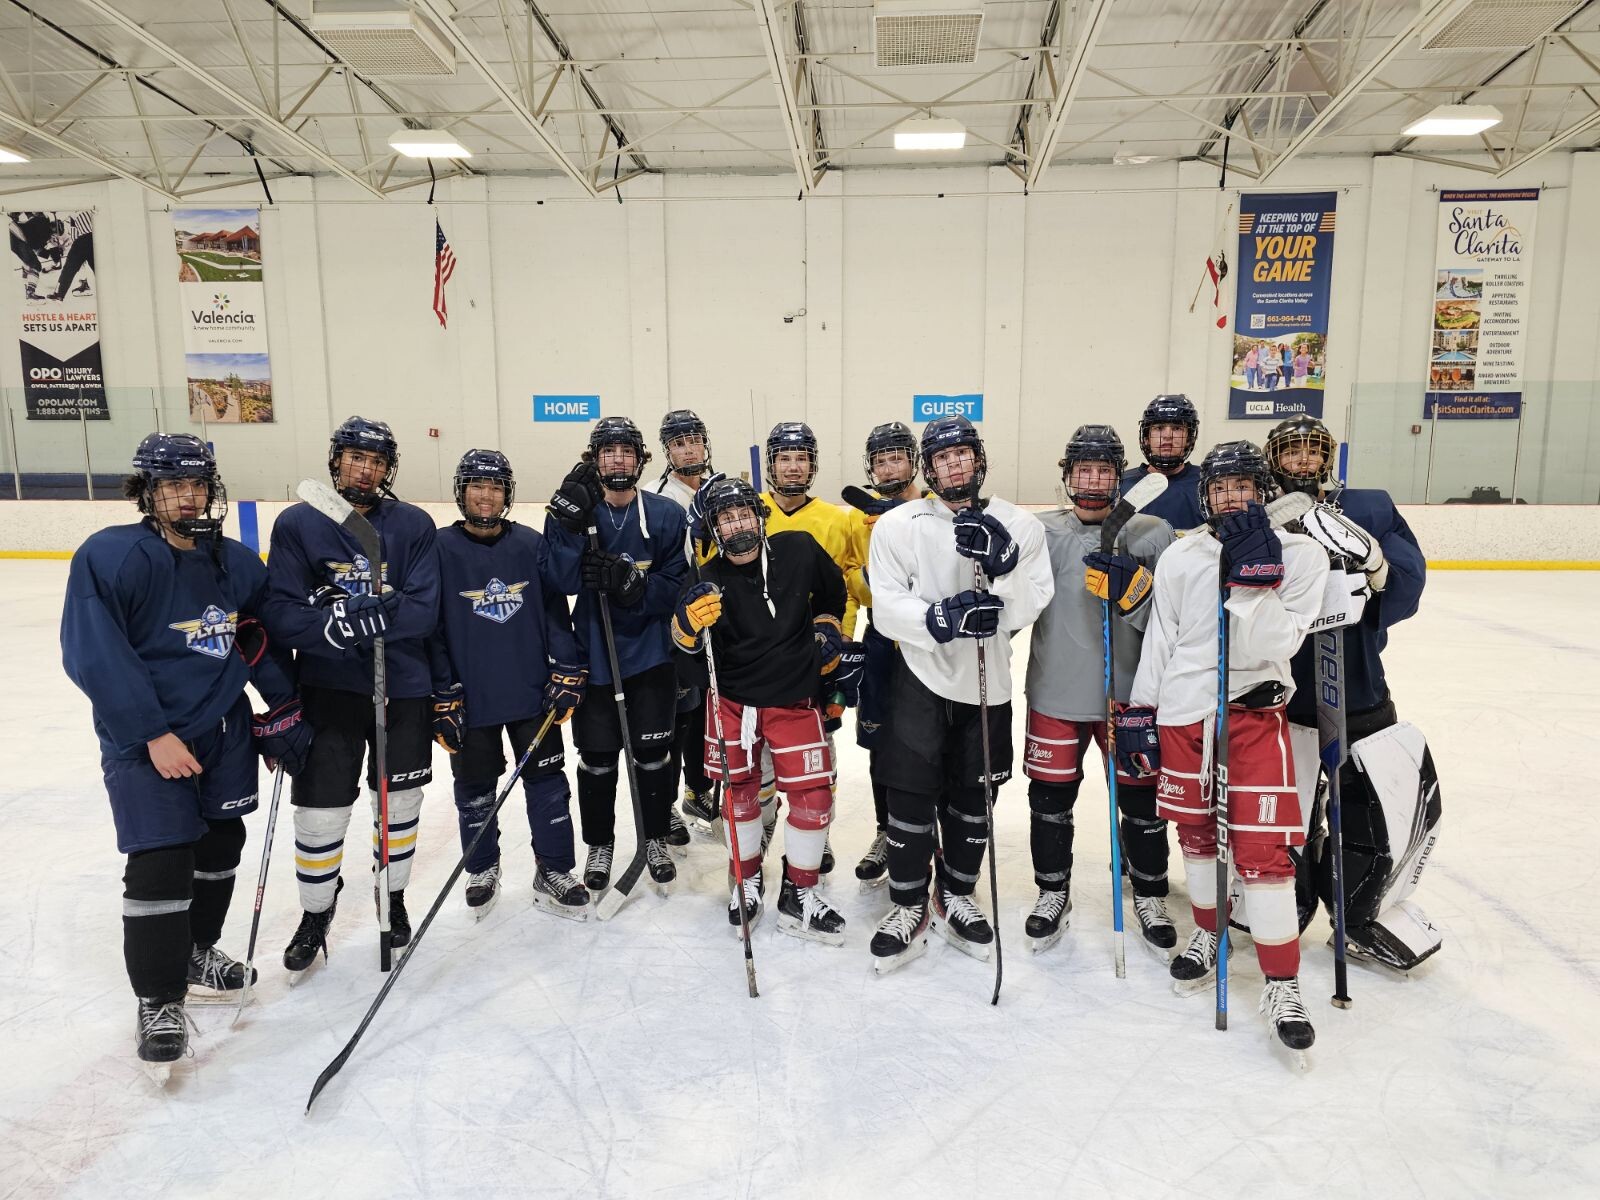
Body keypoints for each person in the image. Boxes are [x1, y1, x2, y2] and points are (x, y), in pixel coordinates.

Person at [62, 434, 311, 1076]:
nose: (188, 496)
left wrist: (280, 709)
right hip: (148, 736)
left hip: (223, 727)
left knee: (221, 844)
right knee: (161, 860)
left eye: (197, 485)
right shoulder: (112, 555)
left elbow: (266, 632)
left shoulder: (232, 561)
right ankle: (159, 998)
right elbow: (93, 652)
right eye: (173, 485)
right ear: (147, 491)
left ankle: (198, 950)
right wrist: (151, 732)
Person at [1126, 440, 1329, 1054]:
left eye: (1242, 486)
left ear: (1262, 489)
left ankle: (1282, 983)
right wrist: (1142, 711)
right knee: (1196, 839)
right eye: (1220, 488)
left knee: (1264, 855)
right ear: (1206, 494)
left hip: (1253, 717)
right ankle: (1210, 934)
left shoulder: (1301, 554)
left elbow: (1280, 644)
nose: (1230, 498)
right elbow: (1162, 639)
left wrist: (1250, 586)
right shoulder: (1184, 556)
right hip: (1185, 716)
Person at [865, 415, 1054, 971]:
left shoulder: (1019, 525)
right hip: (919, 680)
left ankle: (956, 892)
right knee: (910, 796)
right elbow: (885, 605)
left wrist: (1002, 569)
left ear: (979, 459)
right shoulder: (897, 525)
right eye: (943, 458)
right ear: (928, 467)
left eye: (963, 455)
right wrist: (938, 618)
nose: (954, 466)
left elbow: (1032, 602)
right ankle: (906, 903)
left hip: (987, 683)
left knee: (974, 802)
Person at [266, 416, 440, 977]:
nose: (365, 470)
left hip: (403, 688)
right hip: (330, 689)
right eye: (355, 458)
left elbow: (423, 608)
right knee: (320, 812)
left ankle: (391, 899)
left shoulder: (413, 524)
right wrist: (328, 625)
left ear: (388, 469)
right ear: (335, 460)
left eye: (376, 461)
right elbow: (282, 611)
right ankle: (317, 912)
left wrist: (361, 614)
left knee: (399, 806)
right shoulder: (298, 523)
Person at [1265, 416, 1441, 972]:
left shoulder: (1369, 506)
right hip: (1286, 692)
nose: (1301, 462)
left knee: (1368, 810)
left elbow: (1407, 582)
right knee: (1281, 811)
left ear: (1328, 456)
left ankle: (1360, 910)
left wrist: (1378, 567)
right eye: (1291, 453)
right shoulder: (1259, 513)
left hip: (1358, 684)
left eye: (1311, 452)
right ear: (1275, 460)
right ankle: (1284, 900)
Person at [673, 477, 862, 942]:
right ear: (713, 529)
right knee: (739, 796)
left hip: (795, 698)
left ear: (759, 518)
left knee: (815, 799)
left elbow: (833, 594)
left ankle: (800, 892)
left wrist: (825, 627)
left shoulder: (797, 548)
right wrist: (686, 629)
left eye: (743, 515)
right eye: (725, 518)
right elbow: (688, 659)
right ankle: (747, 878)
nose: (737, 526)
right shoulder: (704, 581)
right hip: (734, 705)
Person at [1023, 425, 1176, 953]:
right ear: (1066, 476)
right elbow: (1012, 606)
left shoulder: (1152, 533)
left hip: (1129, 698)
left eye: (1104, 470)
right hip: (1054, 693)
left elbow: (1173, 624)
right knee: (1049, 799)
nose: (1092, 480)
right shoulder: (1038, 533)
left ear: (1119, 476)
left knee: (1141, 802)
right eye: (1082, 470)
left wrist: (1135, 592)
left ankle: (1150, 891)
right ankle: (1052, 890)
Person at [432, 449, 590, 920]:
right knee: (475, 788)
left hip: (531, 690)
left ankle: (555, 869)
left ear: (508, 494)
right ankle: (481, 867)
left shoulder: (529, 542)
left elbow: (553, 609)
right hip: (470, 696)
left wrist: (567, 666)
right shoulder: (439, 547)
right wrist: (442, 691)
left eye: (496, 487)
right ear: (461, 492)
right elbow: (430, 626)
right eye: (477, 486)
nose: (486, 495)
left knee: (547, 784)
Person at [546, 416, 690, 893]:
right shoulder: (577, 514)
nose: (618, 459)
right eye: (608, 451)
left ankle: (654, 837)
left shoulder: (666, 515)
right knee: (599, 759)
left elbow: (677, 588)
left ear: (641, 458)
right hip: (596, 659)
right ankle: (600, 844)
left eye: (626, 451)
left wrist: (634, 587)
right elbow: (561, 582)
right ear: (594, 459)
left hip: (650, 658)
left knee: (652, 754)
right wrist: (568, 525)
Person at [755, 421, 865, 874]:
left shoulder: (840, 521)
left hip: (819, 659)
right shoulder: (749, 510)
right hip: (761, 659)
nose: (794, 467)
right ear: (771, 464)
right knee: (759, 751)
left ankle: (815, 831)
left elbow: (854, 587)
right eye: (785, 457)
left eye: (802, 458)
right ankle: (760, 825)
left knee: (821, 752)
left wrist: (840, 640)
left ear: (813, 464)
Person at [841, 421, 923, 887]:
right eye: (880, 460)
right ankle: (886, 831)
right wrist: (849, 637)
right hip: (880, 639)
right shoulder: (858, 517)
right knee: (880, 739)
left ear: (914, 462)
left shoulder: (935, 510)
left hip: (928, 641)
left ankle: (928, 829)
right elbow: (851, 578)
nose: (889, 466)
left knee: (930, 739)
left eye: (896, 458)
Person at [649, 409, 714, 841]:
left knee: (707, 713)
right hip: (681, 624)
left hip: (720, 620)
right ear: (667, 451)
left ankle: (699, 789)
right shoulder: (661, 498)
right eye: (678, 442)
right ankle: (669, 803)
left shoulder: (714, 489)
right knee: (681, 714)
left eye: (694, 440)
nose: (688, 448)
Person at [1121, 394, 1204, 530]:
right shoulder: (1123, 484)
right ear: (1146, 438)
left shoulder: (1206, 483)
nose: (1167, 436)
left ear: (1189, 439)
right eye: (1159, 428)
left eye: (1177, 428)